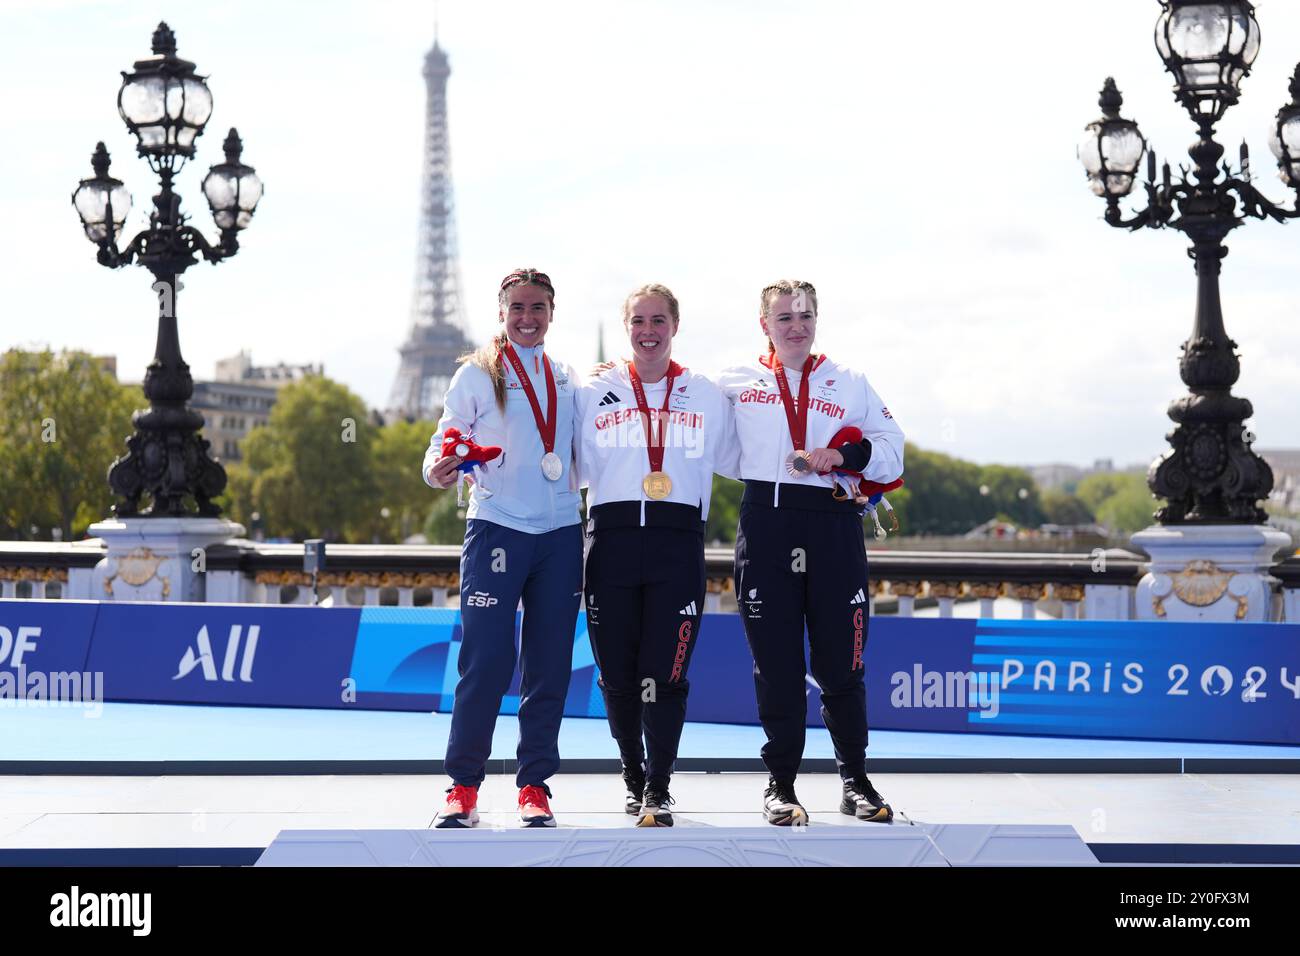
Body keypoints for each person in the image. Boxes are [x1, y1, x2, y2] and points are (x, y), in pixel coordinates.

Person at [717, 279, 904, 826]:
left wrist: (844, 454)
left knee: (842, 662)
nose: (796, 326)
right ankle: (780, 784)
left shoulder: (850, 381)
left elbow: (893, 453)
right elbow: (672, 406)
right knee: (776, 664)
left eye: (806, 316)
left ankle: (855, 780)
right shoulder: (733, 380)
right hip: (767, 520)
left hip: (831, 525)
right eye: (784, 318)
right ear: (764, 325)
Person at [422, 268, 583, 828]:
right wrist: (439, 470)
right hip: (496, 528)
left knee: (549, 667)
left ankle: (534, 786)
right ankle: (463, 786)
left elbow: (584, 452)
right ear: (501, 311)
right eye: (518, 307)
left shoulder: (567, 378)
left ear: (551, 312)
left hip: (561, 534)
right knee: (486, 661)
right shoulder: (475, 374)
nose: (527, 317)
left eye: (538, 307)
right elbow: (444, 443)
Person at [575, 283, 733, 827]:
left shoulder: (706, 392)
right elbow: (561, 459)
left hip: (677, 542)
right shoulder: (591, 391)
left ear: (675, 326)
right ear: (626, 328)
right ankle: (632, 777)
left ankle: (660, 788)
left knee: (666, 674)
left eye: (658, 320)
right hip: (611, 541)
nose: (648, 331)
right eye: (638, 321)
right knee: (618, 675)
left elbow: (750, 449)